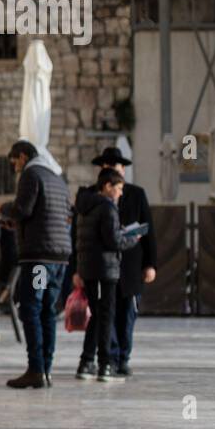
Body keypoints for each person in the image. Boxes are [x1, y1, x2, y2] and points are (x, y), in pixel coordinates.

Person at [75, 147, 156, 377]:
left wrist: (150, 264)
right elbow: (79, 236)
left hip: (128, 265)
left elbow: (148, 230)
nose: (112, 168)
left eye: (116, 165)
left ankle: (121, 358)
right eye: (107, 166)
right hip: (105, 265)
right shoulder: (92, 198)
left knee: (125, 313)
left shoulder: (136, 194)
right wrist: (76, 269)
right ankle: (106, 359)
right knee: (104, 314)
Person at [0, 139, 72, 389]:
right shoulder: (57, 178)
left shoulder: (32, 174)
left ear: (22, 157)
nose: (14, 167)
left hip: (39, 257)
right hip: (59, 257)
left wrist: (3, 209)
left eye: (14, 161)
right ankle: (46, 370)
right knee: (47, 311)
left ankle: (36, 369)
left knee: (30, 308)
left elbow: (23, 209)